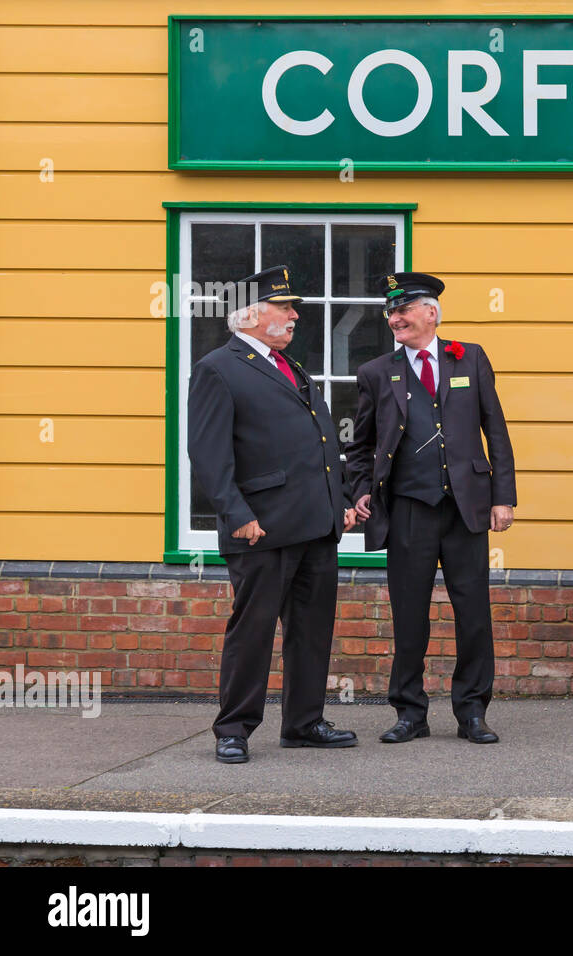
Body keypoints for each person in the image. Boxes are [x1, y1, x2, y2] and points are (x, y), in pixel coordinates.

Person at [187, 265, 358, 764]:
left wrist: (341, 504)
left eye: (292, 307)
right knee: (253, 631)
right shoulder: (220, 367)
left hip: (314, 526)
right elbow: (209, 453)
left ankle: (304, 723)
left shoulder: (291, 367)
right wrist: (236, 513)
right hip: (260, 528)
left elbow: (322, 445)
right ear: (251, 315)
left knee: (311, 631)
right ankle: (233, 729)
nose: (294, 315)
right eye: (284, 307)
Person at [346, 272, 517, 744]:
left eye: (404, 310)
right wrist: (359, 490)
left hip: (466, 509)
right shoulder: (377, 372)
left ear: (431, 313)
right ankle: (409, 712)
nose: (395, 318)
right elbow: (360, 445)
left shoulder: (471, 358)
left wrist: (503, 497)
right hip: (408, 509)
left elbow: (495, 432)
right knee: (409, 614)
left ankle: (472, 712)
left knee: (474, 613)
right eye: (391, 312)